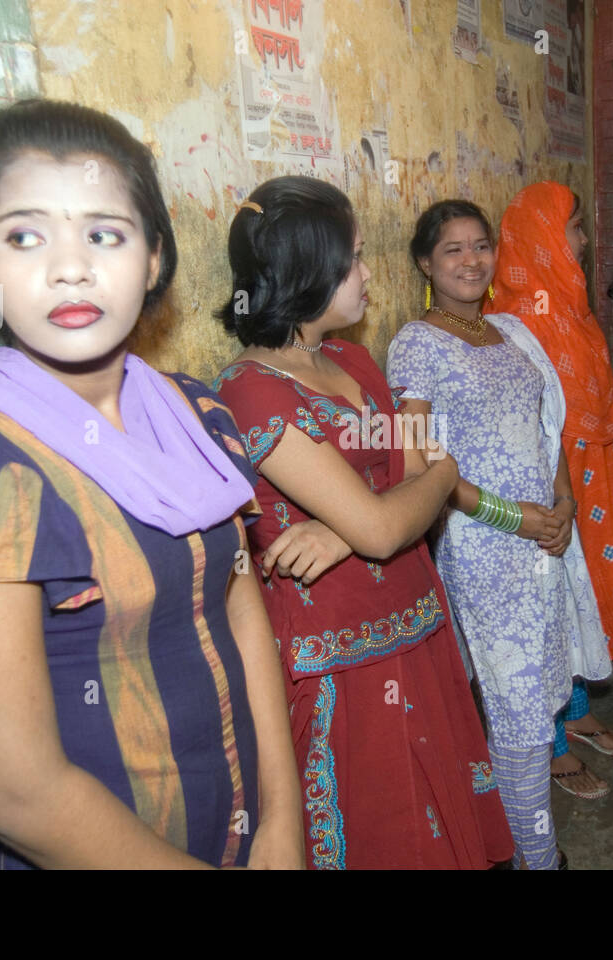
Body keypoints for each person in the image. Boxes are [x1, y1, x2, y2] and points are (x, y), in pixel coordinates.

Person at [0, 99, 303, 869]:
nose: (69, 267)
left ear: (154, 258)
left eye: (104, 234)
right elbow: (12, 792)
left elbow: (239, 611)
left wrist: (282, 829)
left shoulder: (193, 416)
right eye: (24, 236)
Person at [211, 178, 513, 870]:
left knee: (442, 824)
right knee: (383, 834)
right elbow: (403, 503)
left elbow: (406, 484)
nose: (369, 272)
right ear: (305, 271)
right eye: (352, 259)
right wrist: (410, 494)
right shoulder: (251, 392)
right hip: (338, 662)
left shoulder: (347, 359)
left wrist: (349, 523)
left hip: (416, 622)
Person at [387, 199, 612, 868]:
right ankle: (536, 857)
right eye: (452, 249)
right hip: (479, 546)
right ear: (425, 262)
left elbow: (550, 430)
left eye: (480, 245)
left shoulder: (512, 332)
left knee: (538, 699)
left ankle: (515, 842)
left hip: (544, 543)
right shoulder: (417, 343)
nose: (470, 260)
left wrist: (564, 503)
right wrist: (514, 516)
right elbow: (417, 459)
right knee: (516, 712)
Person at [491, 182, 613, 786]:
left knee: (588, 597)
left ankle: (575, 714)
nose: (581, 240)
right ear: (545, 238)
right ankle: (549, 742)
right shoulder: (519, 318)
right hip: (554, 479)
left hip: (591, 470)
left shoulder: (569, 301)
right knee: (555, 600)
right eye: (574, 228)